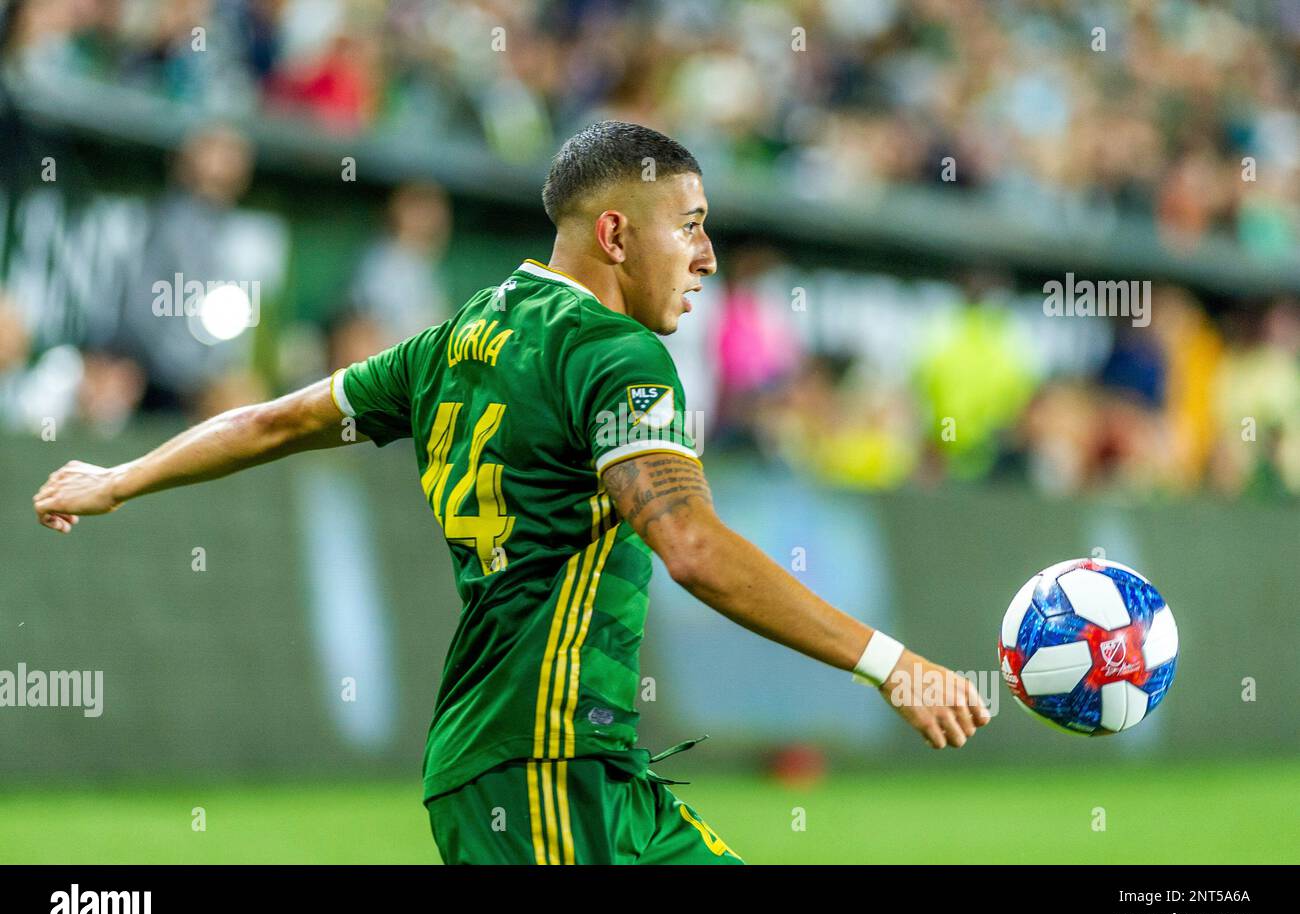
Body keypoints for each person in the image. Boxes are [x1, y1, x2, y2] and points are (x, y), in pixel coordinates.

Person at [32, 121, 989, 865]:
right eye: (691, 227)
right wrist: (891, 664)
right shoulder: (615, 354)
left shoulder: (452, 339)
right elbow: (691, 545)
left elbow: (276, 419)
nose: (707, 257)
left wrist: (122, 476)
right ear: (615, 233)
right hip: (544, 763)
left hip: (550, 764)